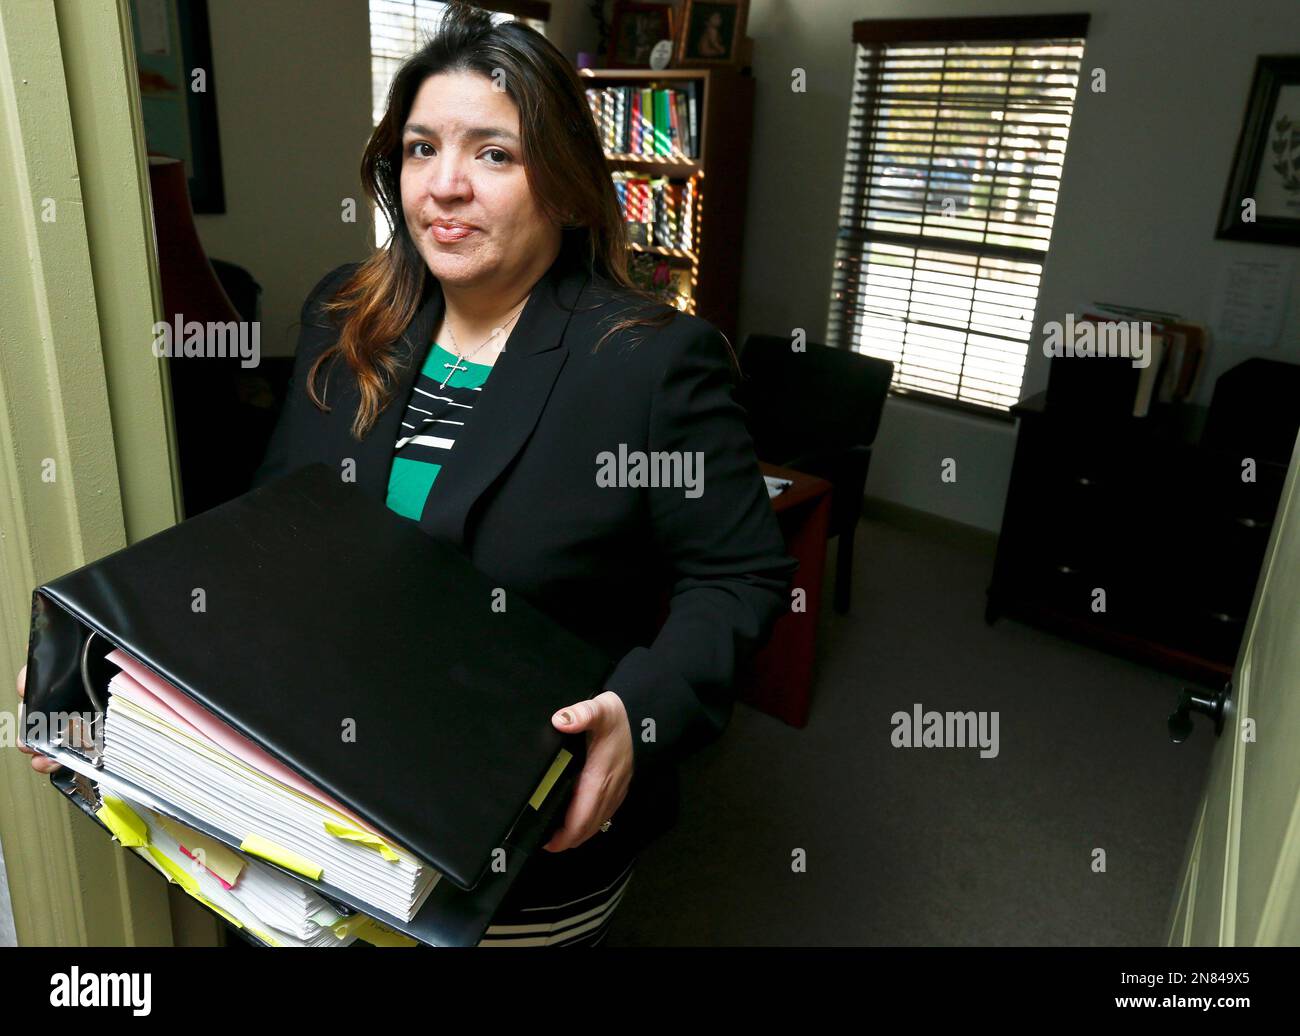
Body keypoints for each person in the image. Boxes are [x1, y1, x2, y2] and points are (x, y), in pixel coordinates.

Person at [18, 1, 796, 948]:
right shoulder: (345, 316)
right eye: (422, 149)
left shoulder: (650, 362)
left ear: (564, 183)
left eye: (495, 154)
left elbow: (739, 574)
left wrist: (642, 711)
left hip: (511, 839)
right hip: (318, 800)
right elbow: (271, 535)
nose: (446, 187)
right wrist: (105, 693)